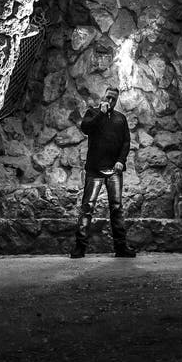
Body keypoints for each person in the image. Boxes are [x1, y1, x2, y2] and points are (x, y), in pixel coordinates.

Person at [70, 87, 136, 259]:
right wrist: (101, 112)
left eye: (114, 98)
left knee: (116, 208)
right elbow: (86, 128)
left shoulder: (120, 119)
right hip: (94, 170)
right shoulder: (92, 113)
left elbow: (126, 142)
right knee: (87, 207)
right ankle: (80, 247)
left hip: (114, 170)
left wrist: (121, 161)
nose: (111, 101)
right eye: (108, 97)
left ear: (117, 100)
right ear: (103, 96)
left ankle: (121, 248)